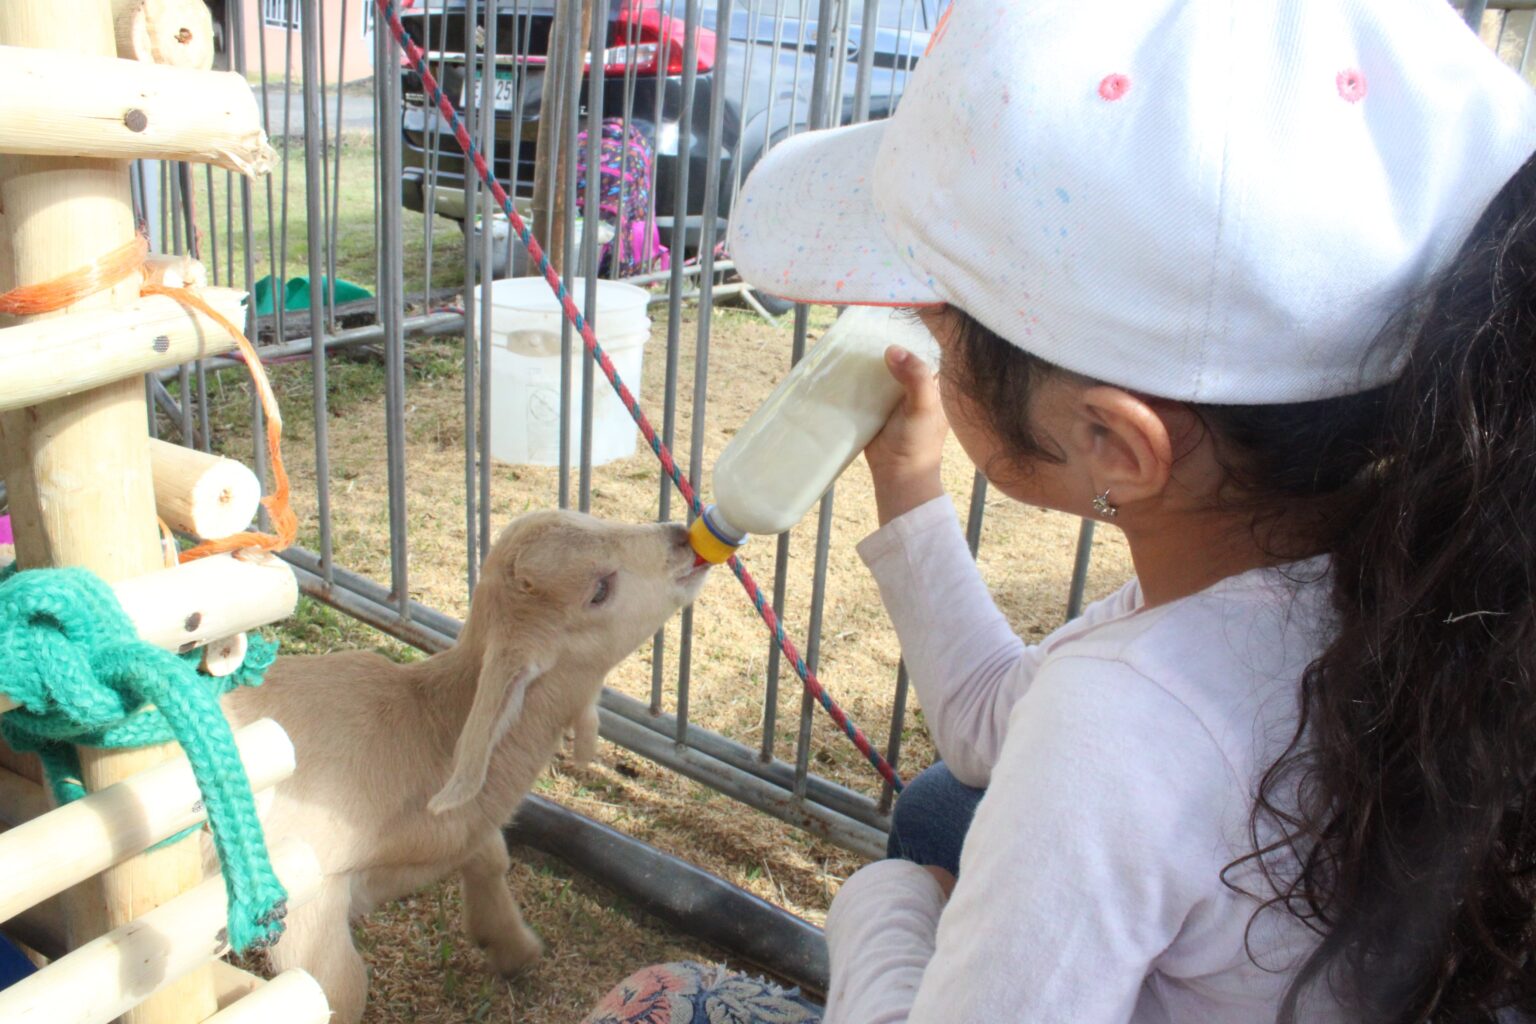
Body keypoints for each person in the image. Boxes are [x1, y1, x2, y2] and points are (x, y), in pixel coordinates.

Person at [586, 0, 1536, 1021]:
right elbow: (999, 720)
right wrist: (909, 485)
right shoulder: (1372, 559)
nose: (932, 349)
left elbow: (1079, 741)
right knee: (945, 804)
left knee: (663, 999)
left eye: (947, 323)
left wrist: (889, 904)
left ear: (1115, 445)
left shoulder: (1120, 724)